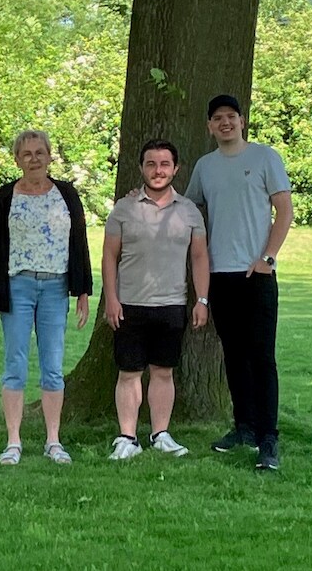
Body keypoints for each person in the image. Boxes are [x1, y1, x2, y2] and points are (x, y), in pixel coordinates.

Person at [185, 94, 294, 471]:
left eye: (231, 116)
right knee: (233, 356)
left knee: (261, 357)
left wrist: (267, 259)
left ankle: (268, 438)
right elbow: (188, 208)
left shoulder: (265, 158)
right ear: (209, 126)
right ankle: (243, 427)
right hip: (220, 276)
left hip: (257, 274)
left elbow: (285, 210)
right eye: (218, 118)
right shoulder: (205, 167)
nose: (225, 123)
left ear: (242, 120)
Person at [0, 130, 93, 466]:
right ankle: (13, 441)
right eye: (26, 154)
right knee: (15, 366)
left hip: (56, 288)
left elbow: (79, 244)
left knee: (53, 367)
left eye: (40, 152)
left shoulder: (66, 194)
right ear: (17, 159)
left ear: (50, 156)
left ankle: (53, 441)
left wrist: (83, 291)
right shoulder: (3, 198)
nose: (34, 159)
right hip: (17, 287)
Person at [103, 140, 210, 460]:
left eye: (165, 164)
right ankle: (127, 438)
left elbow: (200, 257)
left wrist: (202, 300)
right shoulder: (124, 208)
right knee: (128, 372)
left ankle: (161, 434)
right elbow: (109, 256)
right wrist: (111, 298)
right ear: (141, 168)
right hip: (130, 304)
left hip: (172, 305)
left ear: (176, 169)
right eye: (151, 164)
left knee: (164, 371)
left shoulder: (189, 211)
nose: (158, 170)